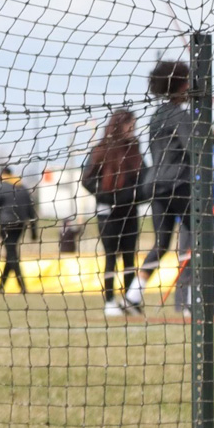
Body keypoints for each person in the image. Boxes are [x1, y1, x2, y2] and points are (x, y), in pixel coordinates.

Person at [128, 60, 197, 314]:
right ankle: (189, 302)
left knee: (161, 243)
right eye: (187, 81)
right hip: (178, 184)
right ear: (180, 85)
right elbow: (195, 146)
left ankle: (133, 295)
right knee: (194, 240)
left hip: (155, 184)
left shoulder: (156, 116)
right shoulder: (180, 115)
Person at [83, 108, 144, 316]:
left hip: (129, 212)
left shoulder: (134, 149)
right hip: (107, 213)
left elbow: (143, 177)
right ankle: (109, 301)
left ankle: (129, 301)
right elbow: (87, 180)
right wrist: (108, 197)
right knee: (111, 257)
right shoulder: (101, 150)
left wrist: (134, 195)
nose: (133, 129)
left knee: (129, 258)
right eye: (129, 124)